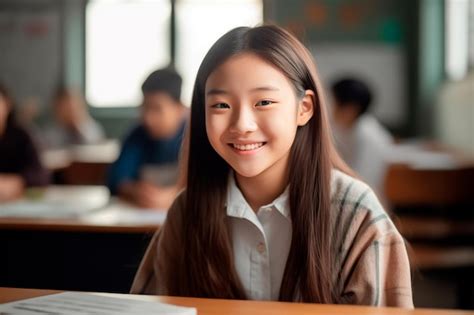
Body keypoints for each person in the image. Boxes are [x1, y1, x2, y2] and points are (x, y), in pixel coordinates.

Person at [131, 26, 412, 307]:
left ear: (304, 109)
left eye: (263, 102)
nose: (242, 124)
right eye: (220, 105)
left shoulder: (357, 215)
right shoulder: (186, 212)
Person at [107, 68, 187, 210]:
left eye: (157, 108)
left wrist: (177, 195)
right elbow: (115, 180)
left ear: (180, 108)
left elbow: (212, 184)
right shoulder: (137, 135)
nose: (148, 118)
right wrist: (135, 191)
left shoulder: (194, 136)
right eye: (145, 107)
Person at [330, 78, 393, 199]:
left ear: (349, 109)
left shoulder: (369, 136)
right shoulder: (344, 129)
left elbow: (361, 180)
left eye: (330, 101)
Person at [0, 84, 49, 201]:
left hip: (14, 205)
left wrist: (18, 181)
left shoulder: (22, 136)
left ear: (7, 104)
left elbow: (41, 176)